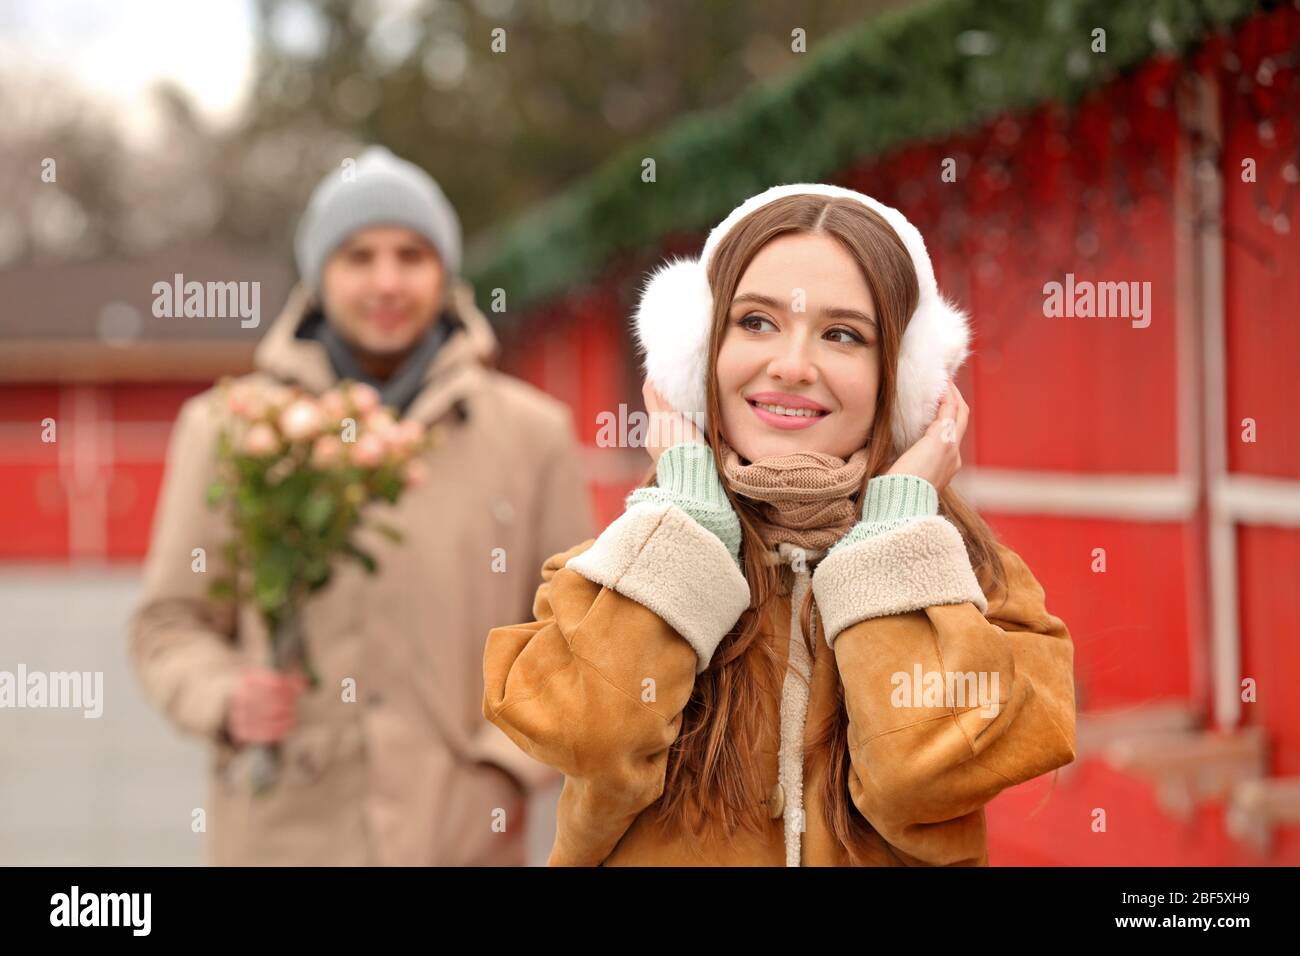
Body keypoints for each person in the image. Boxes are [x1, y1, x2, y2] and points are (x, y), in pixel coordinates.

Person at [483, 183, 1076, 866]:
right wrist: (687, 528)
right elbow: (589, 735)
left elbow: (919, 778)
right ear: (698, 354)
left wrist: (893, 544)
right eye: (756, 322)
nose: (792, 367)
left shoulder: (980, 589)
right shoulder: (616, 572)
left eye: (842, 334)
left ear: (904, 380)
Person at [130, 146, 594, 865]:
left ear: (445, 272)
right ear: (318, 276)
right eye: (358, 256)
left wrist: (504, 770)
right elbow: (168, 623)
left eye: (411, 255)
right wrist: (223, 695)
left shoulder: (531, 435)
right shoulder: (229, 429)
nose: (387, 281)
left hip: (462, 840)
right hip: (282, 835)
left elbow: (576, 635)